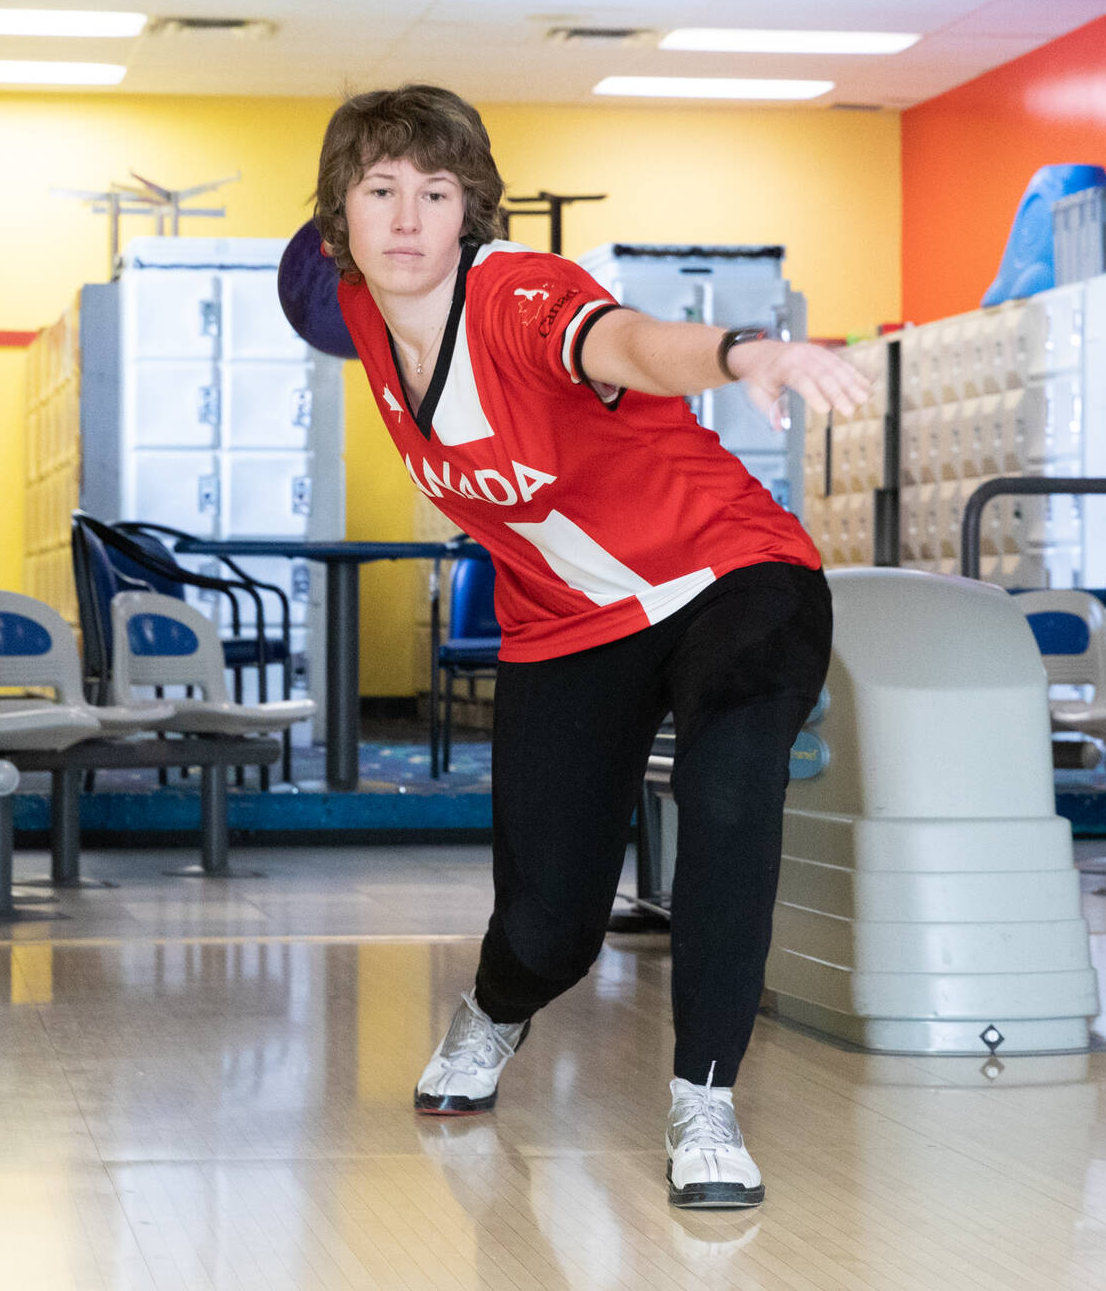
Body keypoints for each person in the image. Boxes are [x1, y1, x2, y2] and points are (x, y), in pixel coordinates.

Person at [314, 84, 869, 1209]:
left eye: (436, 191)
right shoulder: (355, 303)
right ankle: (495, 1008)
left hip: (730, 576)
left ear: (472, 209)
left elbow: (626, 344)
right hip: (566, 622)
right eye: (380, 191)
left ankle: (704, 1099)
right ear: (340, 214)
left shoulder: (520, 295)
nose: (408, 217)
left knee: (724, 797)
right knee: (548, 922)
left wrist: (739, 352)